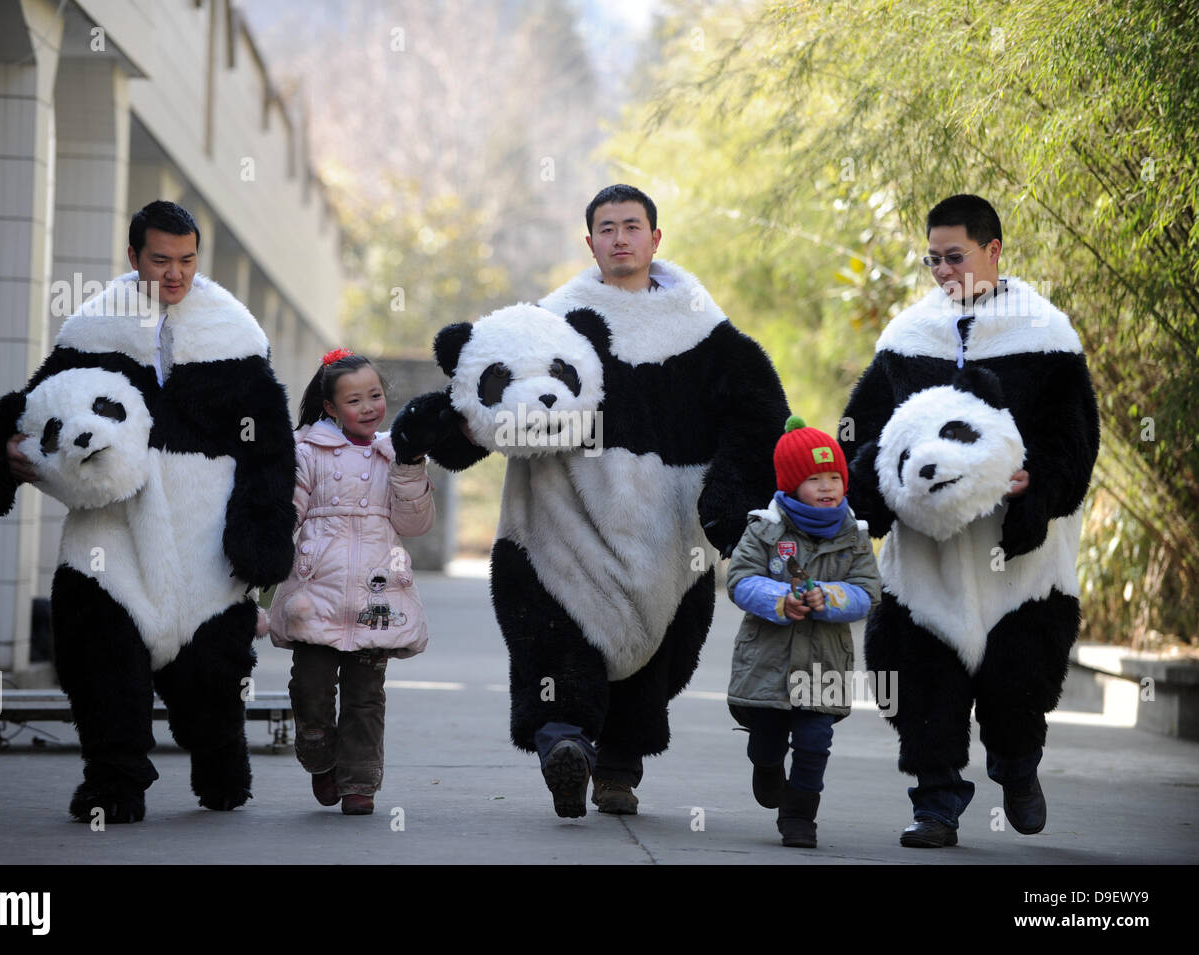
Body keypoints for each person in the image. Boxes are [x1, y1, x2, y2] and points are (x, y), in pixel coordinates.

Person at [393, 184, 790, 817]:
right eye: (607, 228)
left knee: (659, 653)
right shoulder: (548, 320)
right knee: (554, 636)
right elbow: (489, 406)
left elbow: (762, 416)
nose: (621, 238)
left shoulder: (704, 330)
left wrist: (731, 497)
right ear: (590, 242)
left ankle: (615, 770)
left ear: (656, 238)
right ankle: (563, 743)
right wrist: (445, 431)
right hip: (562, 521)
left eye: (632, 226)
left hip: (668, 529)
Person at [0, 200, 296, 821]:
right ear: (133, 256)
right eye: (161, 260)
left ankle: (220, 756)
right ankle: (113, 781)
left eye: (188, 260)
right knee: (100, 663)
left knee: (210, 685)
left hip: (205, 542)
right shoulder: (93, 329)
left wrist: (262, 536)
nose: (176, 274)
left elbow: (270, 448)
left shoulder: (235, 332)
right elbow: (39, 404)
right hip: (107, 540)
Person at [839, 194, 1099, 847]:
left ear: (993, 251)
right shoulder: (906, 336)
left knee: (1019, 678)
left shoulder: (1045, 333)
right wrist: (871, 481)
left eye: (956, 256)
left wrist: (1036, 484)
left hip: (1020, 558)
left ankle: (1016, 764)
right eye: (932, 259)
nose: (943, 270)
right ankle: (935, 800)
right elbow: (860, 431)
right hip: (926, 555)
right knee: (920, 674)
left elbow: (1075, 439)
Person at [267, 349, 434, 815]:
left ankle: (359, 781)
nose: (368, 407)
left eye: (375, 396)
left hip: (375, 599)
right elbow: (287, 514)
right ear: (330, 408)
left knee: (366, 698)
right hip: (316, 597)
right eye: (355, 400)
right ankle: (321, 756)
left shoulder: (396, 454)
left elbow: (415, 524)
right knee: (311, 688)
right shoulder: (308, 452)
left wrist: (410, 468)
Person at [726, 417, 880, 848]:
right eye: (815, 479)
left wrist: (829, 597)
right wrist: (779, 600)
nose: (828, 486)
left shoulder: (854, 536)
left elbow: (868, 592)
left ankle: (799, 817)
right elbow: (740, 579)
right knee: (767, 739)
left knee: (815, 743)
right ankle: (766, 765)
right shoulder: (764, 528)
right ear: (792, 485)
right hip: (769, 662)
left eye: (835, 477)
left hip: (824, 663)